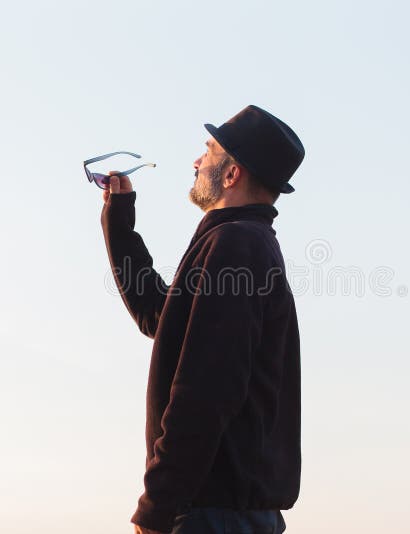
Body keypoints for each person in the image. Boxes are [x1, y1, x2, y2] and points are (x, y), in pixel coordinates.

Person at [100, 105, 305, 534]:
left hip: (215, 516)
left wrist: (158, 504)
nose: (196, 162)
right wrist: (119, 222)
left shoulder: (236, 245)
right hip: (221, 512)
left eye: (208, 151)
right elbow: (161, 317)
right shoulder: (237, 242)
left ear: (231, 175)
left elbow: (207, 389)